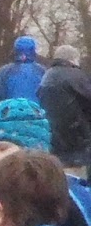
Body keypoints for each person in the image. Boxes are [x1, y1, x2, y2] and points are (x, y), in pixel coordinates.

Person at [37, 45, 91, 176]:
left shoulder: (47, 75)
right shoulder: (75, 75)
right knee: (78, 174)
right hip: (77, 136)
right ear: (72, 59)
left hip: (54, 135)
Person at [0, 36, 46, 106]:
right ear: (33, 51)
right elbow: (47, 98)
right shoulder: (41, 71)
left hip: (11, 114)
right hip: (36, 114)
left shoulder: (4, 71)